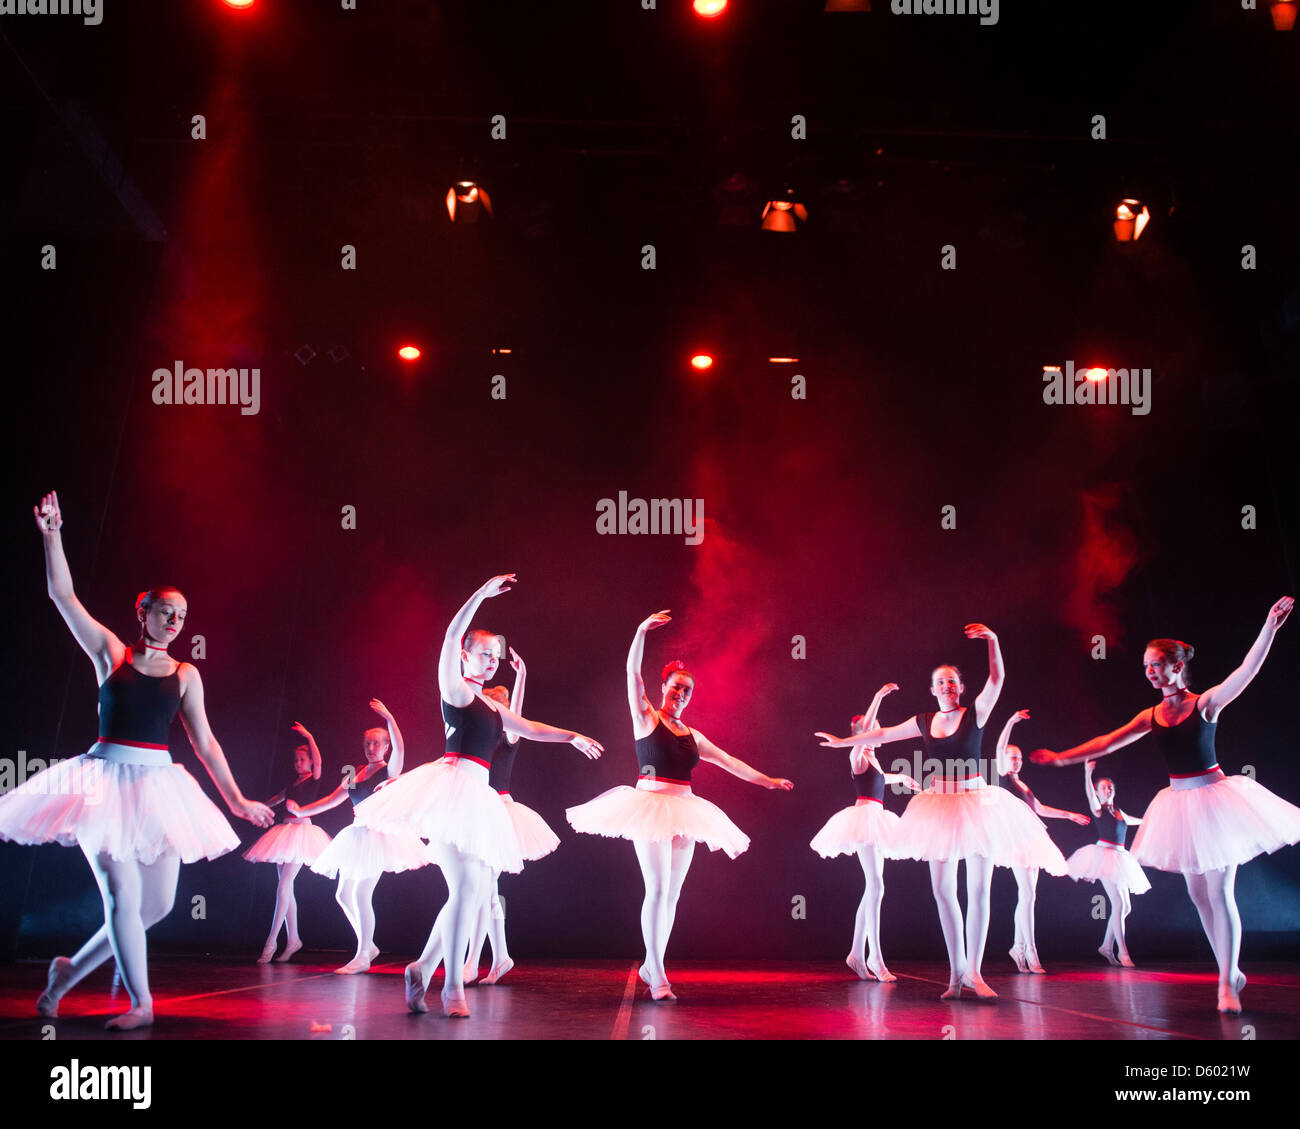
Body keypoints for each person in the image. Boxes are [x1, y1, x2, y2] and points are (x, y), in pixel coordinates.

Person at [0, 491, 273, 1029]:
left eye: (183, 615)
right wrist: (53, 534)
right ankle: (141, 1005)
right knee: (122, 895)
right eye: (166, 610)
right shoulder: (111, 653)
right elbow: (63, 595)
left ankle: (65, 975)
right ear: (142, 611)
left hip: (158, 788)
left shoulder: (186, 675)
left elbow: (206, 744)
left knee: (156, 907)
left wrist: (238, 800)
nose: (175, 620)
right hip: (101, 784)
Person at [1031, 598, 1300, 1013]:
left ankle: (1227, 983)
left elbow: (1246, 670)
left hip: (1216, 800)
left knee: (1219, 889)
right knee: (1198, 895)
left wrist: (1270, 626)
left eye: (1156, 664)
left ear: (1177, 666)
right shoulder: (1151, 714)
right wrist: (1062, 757)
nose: (1150, 671)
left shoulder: (1205, 703)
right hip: (1179, 804)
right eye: (1145, 666)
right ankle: (1228, 968)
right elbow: (1107, 741)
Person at [360, 575, 604, 1017]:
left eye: (496, 657)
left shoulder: (495, 708)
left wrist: (573, 736)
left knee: (470, 894)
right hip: (452, 792)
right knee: (467, 891)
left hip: (479, 796)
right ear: (465, 655)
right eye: (484, 654)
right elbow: (452, 633)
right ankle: (451, 987)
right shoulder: (454, 690)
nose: (491, 662)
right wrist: (479, 596)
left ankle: (422, 969)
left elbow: (529, 728)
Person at [818, 624, 1065, 1001]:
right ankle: (955, 975)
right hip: (939, 805)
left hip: (980, 804)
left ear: (960, 688)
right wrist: (844, 742)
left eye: (952, 681)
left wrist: (994, 641)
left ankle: (976, 974)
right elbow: (881, 736)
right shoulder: (922, 720)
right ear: (932, 690)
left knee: (979, 889)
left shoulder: (976, 714)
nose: (947, 686)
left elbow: (997, 678)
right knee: (942, 891)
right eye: (940, 682)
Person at [568, 610, 793, 1001]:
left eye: (687, 691)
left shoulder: (694, 736)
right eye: (675, 688)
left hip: (685, 808)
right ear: (664, 687)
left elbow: (730, 761)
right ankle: (658, 975)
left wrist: (767, 780)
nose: (680, 695)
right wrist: (640, 630)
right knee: (655, 889)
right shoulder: (645, 717)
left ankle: (653, 964)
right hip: (650, 805)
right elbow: (631, 675)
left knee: (672, 894)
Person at [289, 700, 427, 974]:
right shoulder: (355, 771)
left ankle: (363, 955)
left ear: (385, 747)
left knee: (362, 892)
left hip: (377, 837)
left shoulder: (391, 770)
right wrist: (301, 810)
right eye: (368, 744)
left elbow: (401, 747)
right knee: (342, 894)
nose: (372, 748)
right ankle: (369, 945)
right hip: (356, 833)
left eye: (377, 743)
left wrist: (390, 717)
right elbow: (331, 799)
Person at [810, 683, 921, 982]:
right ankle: (875, 957)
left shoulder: (873, 759)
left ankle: (857, 952)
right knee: (877, 886)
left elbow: (881, 777)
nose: (878, 732)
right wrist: (877, 697)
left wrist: (904, 778)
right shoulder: (856, 755)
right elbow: (865, 736)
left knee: (873, 888)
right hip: (864, 820)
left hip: (877, 818)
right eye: (873, 729)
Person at [994, 709, 1089, 974]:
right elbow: (1000, 746)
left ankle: (1018, 946)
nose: (1016, 761)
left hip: (1031, 838)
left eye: (1019, 758)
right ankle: (1030, 951)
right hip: (1016, 840)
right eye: (1012, 757)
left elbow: (1040, 808)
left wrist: (1069, 814)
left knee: (1028, 896)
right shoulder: (1003, 775)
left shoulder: (1022, 784)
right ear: (1003, 760)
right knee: (1027, 894)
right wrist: (1011, 721)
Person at [243, 723, 328, 962]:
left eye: (302, 759)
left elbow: (320, 763)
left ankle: (271, 942)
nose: (298, 763)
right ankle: (293, 940)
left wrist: (310, 736)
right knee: (285, 887)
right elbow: (276, 799)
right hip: (285, 830)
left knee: (284, 886)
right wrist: (254, 809)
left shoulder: (314, 778)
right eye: (296, 760)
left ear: (311, 762)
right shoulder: (292, 784)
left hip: (302, 833)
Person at [1064, 760, 1149, 967]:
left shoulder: (1120, 812)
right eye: (1103, 787)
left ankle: (1106, 945)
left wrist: (1155, 819)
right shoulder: (1098, 809)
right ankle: (1123, 952)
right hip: (1104, 857)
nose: (1107, 790)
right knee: (1118, 905)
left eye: (1110, 787)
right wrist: (1087, 773)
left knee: (1126, 907)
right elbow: (1089, 795)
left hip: (1121, 857)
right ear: (1098, 791)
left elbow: (1141, 821)